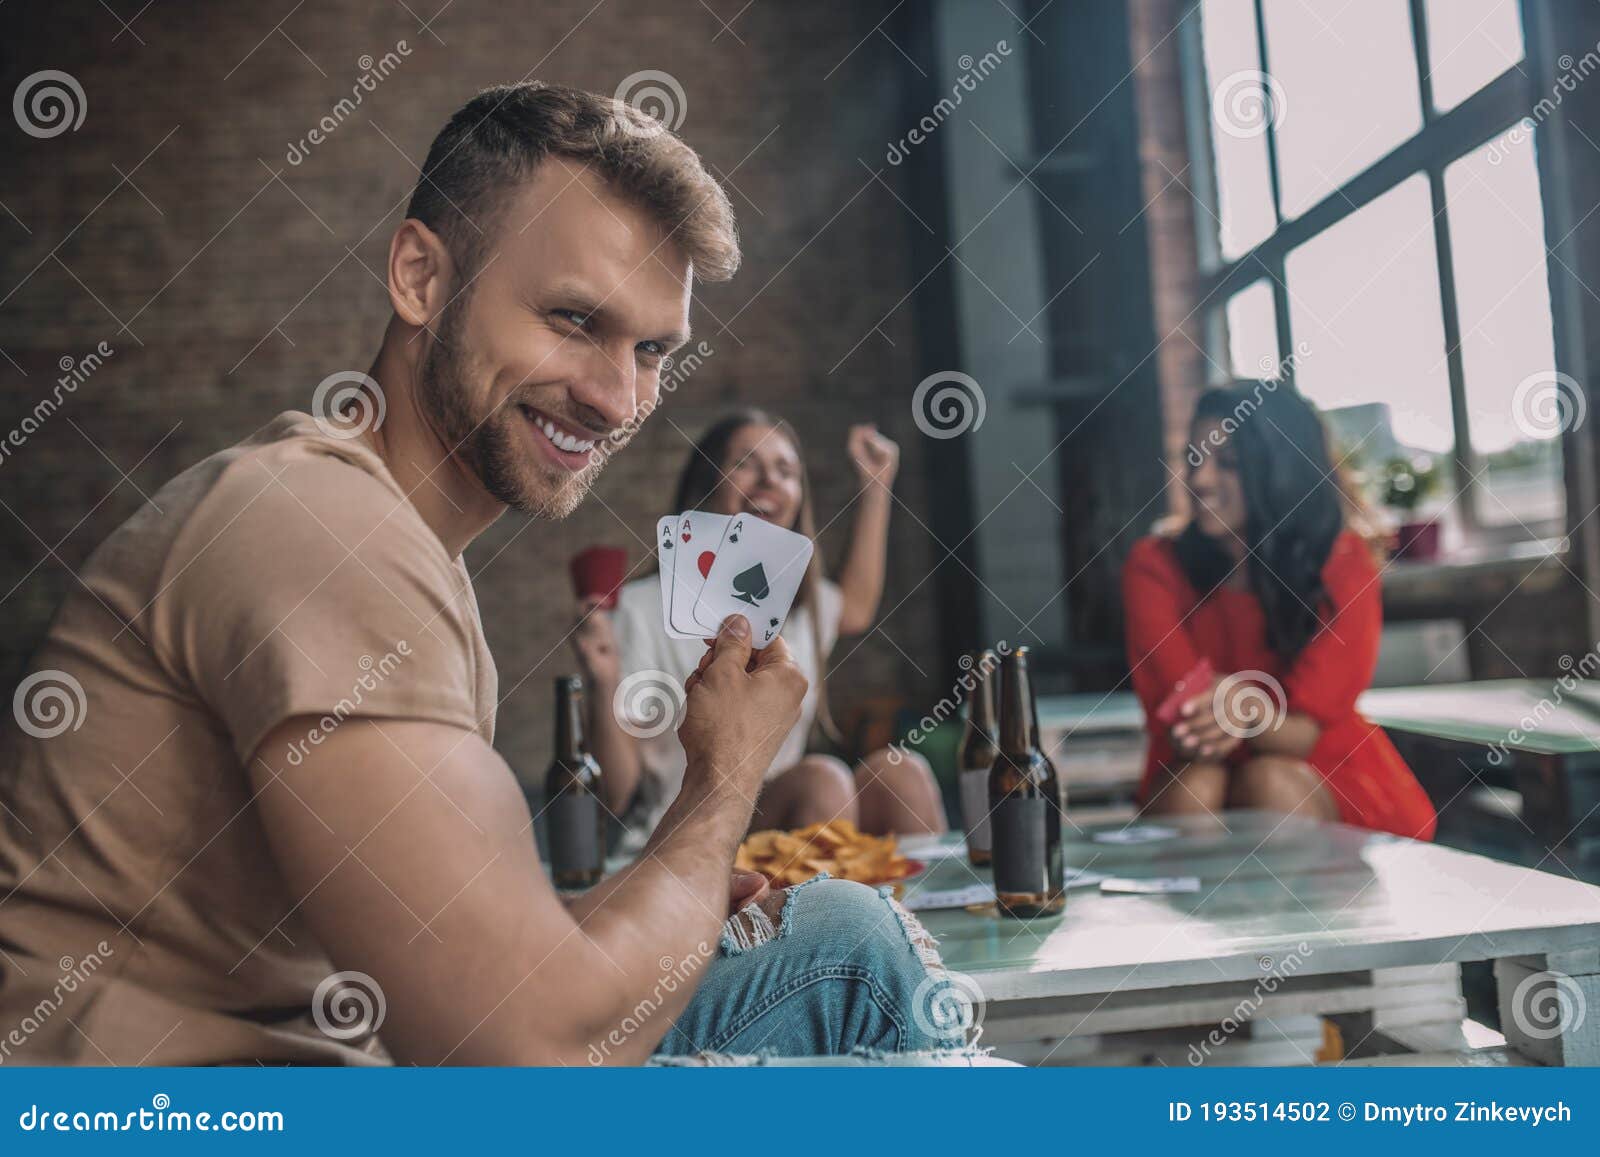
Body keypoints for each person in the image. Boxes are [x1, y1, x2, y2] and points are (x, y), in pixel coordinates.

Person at [0, 82, 967, 1066]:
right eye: (572, 318)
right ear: (420, 276)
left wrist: (637, 900)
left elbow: (439, 962)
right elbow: (521, 1057)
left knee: (844, 933)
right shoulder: (321, 526)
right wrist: (724, 780)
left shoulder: (411, 556)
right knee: (873, 984)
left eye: (650, 349)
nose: (615, 396)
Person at [571, 410, 948, 847]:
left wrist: (877, 485)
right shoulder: (640, 609)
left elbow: (856, 607)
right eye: (745, 464)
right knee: (822, 781)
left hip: (774, 816)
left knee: (901, 773)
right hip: (686, 831)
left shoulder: (800, 604)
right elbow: (616, 796)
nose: (769, 479)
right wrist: (602, 680)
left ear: (799, 498)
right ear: (707, 485)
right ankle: (819, 916)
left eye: (786, 470)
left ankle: (921, 914)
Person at [1122, 382, 1437, 840]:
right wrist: (1252, 713)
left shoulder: (1344, 564)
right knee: (1199, 785)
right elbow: (1188, 724)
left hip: (1324, 776)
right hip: (1194, 768)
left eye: (1227, 463)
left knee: (1269, 781)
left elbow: (1303, 735)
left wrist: (1239, 708)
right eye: (1194, 459)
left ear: (1280, 469)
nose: (1199, 480)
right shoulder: (1154, 566)